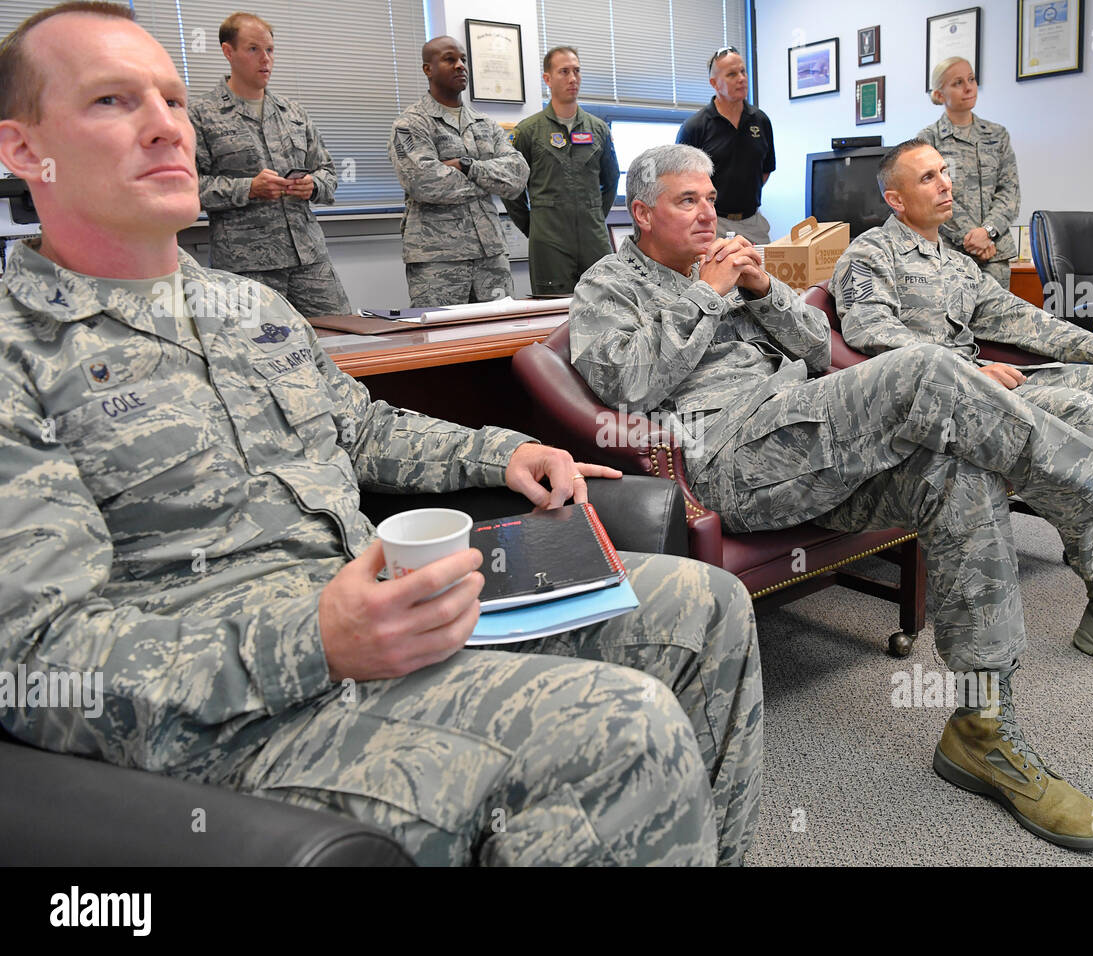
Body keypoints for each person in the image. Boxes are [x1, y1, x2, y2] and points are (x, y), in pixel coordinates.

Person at [0, 3, 763, 867]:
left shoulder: (249, 308)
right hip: (237, 718)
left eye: (173, 102)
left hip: (376, 609)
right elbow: (33, 659)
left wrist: (502, 451)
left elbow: (360, 428)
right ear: (24, 149)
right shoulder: (18, 351)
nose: (166, 129)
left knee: (708, 607)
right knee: (624, 734)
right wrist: (312, 640)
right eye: (112, 102)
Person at [570, 143, 1093, 851]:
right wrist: (708, 295)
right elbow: (628, 384)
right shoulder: (608, 287)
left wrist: (761, 290)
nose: (707, 214)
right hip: (734, 461)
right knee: (924, 367)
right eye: (686, 201)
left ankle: (982, 730)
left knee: (961, 474)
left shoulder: (731, 267)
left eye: (710, 198)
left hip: (813, 437)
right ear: (641, 213)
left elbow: (819, 348)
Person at [833, 140, 1093, 695]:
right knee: (1079, 411)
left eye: (945, 172)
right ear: (895, 198)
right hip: (951, 403)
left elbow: (1028, 322)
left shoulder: (959, 265)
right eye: (927, 178)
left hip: (996, 381)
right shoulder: (869, 257)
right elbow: (869, 333)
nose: (945, 185)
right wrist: (961, 373)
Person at [188, 11, 351, 317]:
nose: (265, 59)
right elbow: (187, 187)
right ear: (228, 52)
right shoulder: (201, 115)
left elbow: (328, 174)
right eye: (253, 49)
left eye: (270, 50)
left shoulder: (293, 113)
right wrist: (249, 188)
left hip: (309, 259)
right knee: (258, 355)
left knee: (344, 342)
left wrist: (312, 185)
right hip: (247, 267)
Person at [390, 36, 528, 308]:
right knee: (442, 341)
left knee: (499, 337)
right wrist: (490, 181)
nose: (460, 66)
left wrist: (467, 167)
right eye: (449, 59)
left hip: (491, 254)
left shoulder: (485, 123)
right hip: (437, 259)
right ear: (427, 69)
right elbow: (424, 182)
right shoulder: (410, 124)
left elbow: (518, 175)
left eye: (463, 59)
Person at [503, 46, 618, 296]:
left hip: (593, 240)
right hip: (549, 242)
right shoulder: (529, 131)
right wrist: (536, 227)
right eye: (564, 71)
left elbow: (611, 181)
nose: (572, 78)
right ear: (547, 79)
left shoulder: (598, 129)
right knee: (552, 314)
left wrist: (594, 215)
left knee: (606, 307)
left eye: (576, 71)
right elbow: (512, 189)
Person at [916, 57, 1019, 289]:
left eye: (971, 79)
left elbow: (1009, 192)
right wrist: (970, 237)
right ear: (940, 95)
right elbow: (931, 196)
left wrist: (988, 232)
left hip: (995, 253)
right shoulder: (928, 139)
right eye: (958, 82)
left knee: (1000, 322)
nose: (968, 87)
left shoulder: (997, 135)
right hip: (950, 254)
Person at [676, 46, 774, 245]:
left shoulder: (761, 120)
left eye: (743, 71)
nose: (741, 78)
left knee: (764, 275)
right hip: (712, 222)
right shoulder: (695, 127)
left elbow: (765, 171)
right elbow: (681, 181)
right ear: (714, 83)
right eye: (731, 74)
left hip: (753, 221)